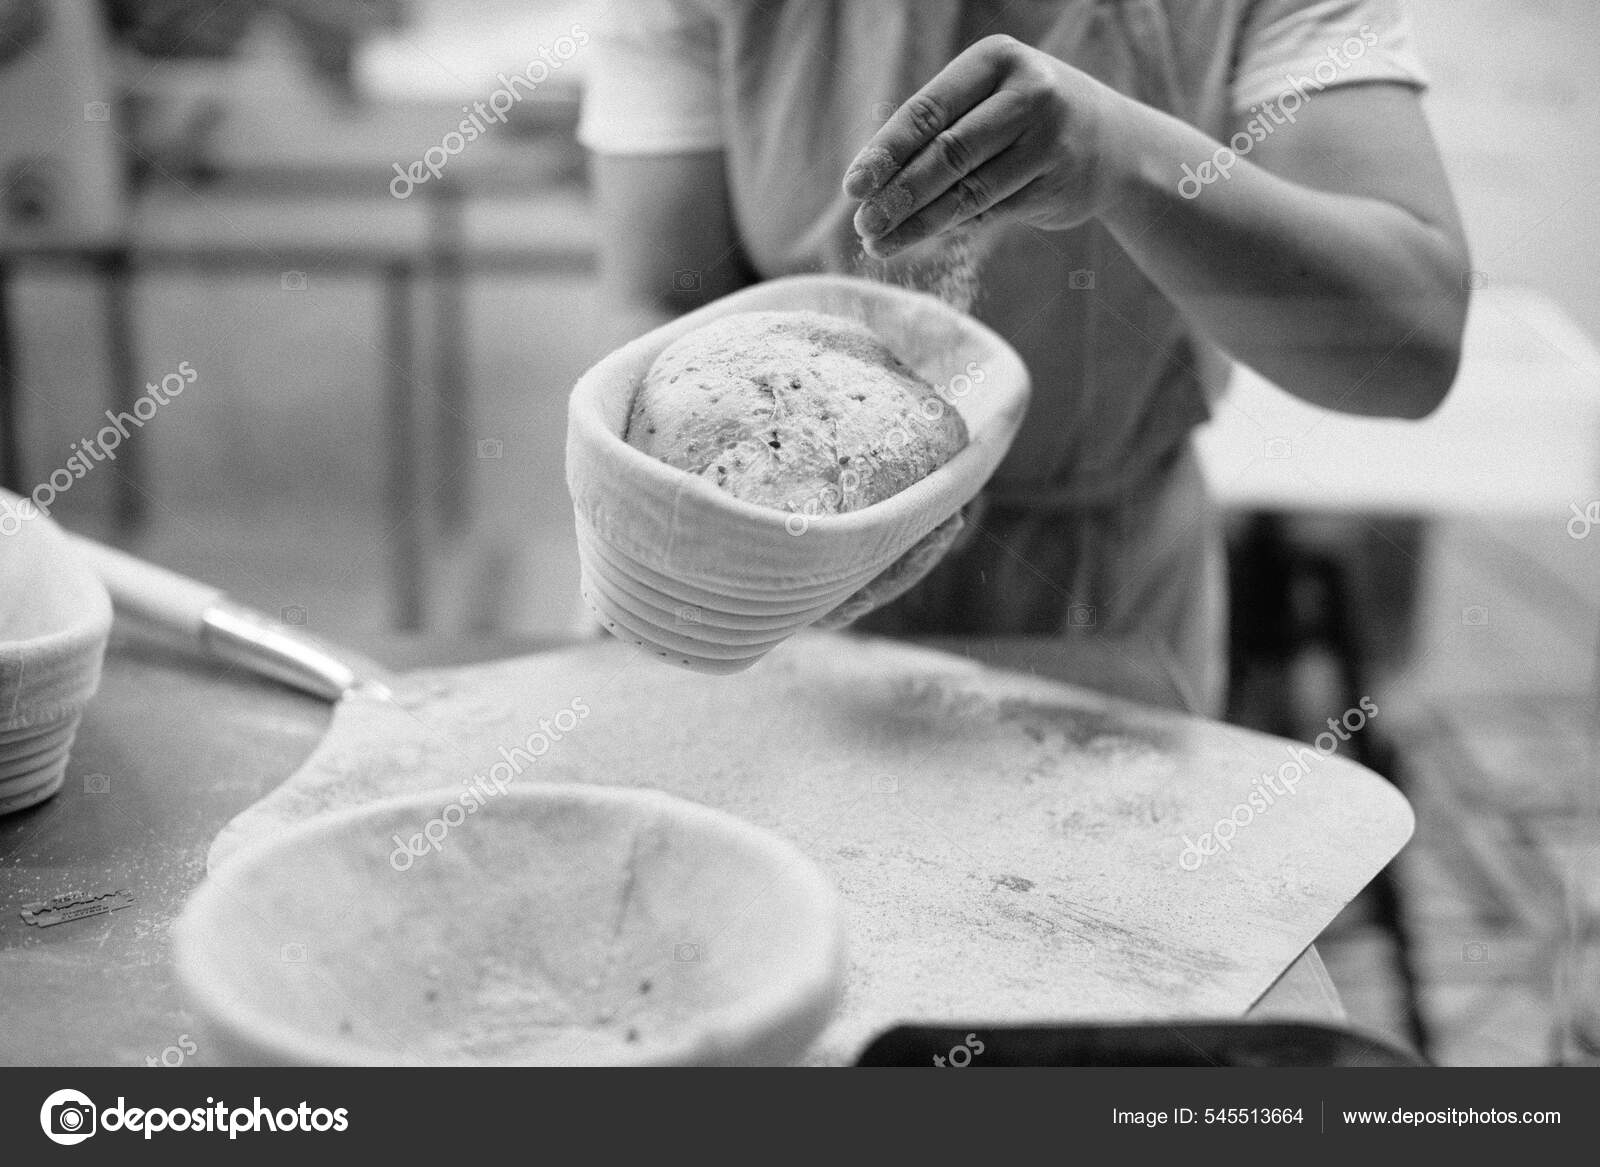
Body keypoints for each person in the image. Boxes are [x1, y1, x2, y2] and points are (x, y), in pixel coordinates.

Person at [578, 0, 1470, 716]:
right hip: (764, 610)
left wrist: (1129, 159)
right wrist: (721, 555)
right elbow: (664, 299)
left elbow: (1410, 349)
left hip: (1101, 617)